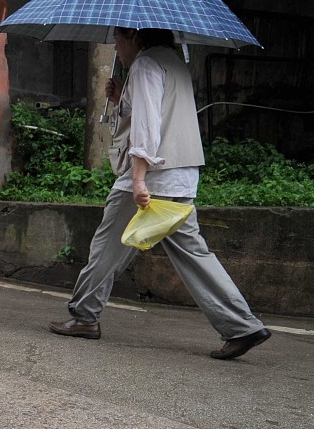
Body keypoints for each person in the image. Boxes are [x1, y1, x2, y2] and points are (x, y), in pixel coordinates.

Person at [48, 27, 271, 360]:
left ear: (135, 38)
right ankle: (242, 325)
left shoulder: (145, 65)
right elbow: (162, 113)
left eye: (119, 41)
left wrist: (138, 179)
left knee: (107, 247)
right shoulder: (174, 63)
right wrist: (123, 95)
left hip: (151, 178)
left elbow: (148, 126)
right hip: (181, 176)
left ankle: (84, 316)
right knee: (194, 255)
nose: (117, 50)